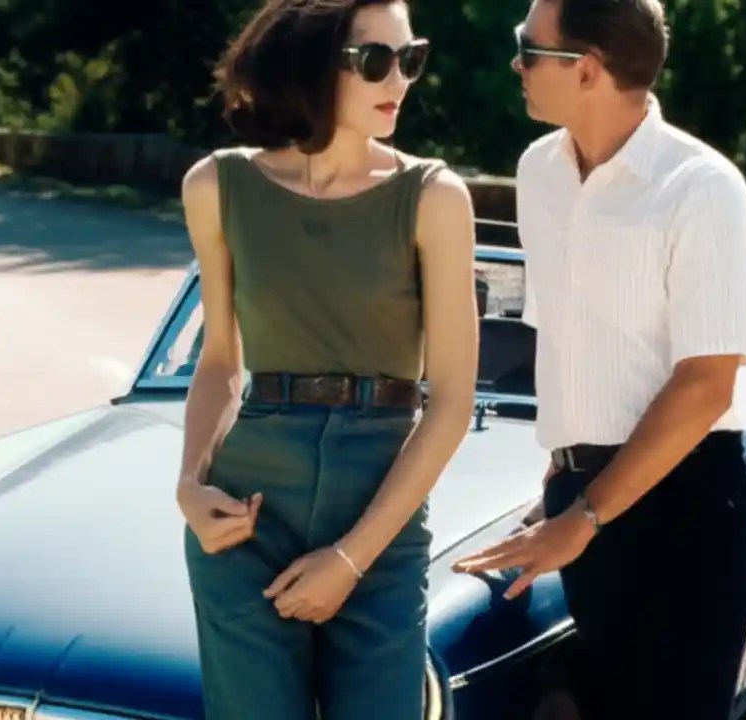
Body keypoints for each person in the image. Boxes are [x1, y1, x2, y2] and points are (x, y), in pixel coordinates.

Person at [452, 1, 746, 719]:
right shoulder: (540, 173)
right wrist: (560, 482)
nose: (515, 63)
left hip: (690, 512)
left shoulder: (702, 187)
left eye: (527, 47)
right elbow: (569, 343)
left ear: (587, 69)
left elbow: (708, 383)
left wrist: (583, 516)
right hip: (585, 500)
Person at [175, 1, 478, 718]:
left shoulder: (434, 197)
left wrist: (351, 559)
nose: (399, 79)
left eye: (412, 58)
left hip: (379, 515)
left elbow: (454, 400)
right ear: (310, 64)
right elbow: (220, 361)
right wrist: (189, 484)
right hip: (247, 513)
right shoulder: (216, 187)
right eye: (377, 60)